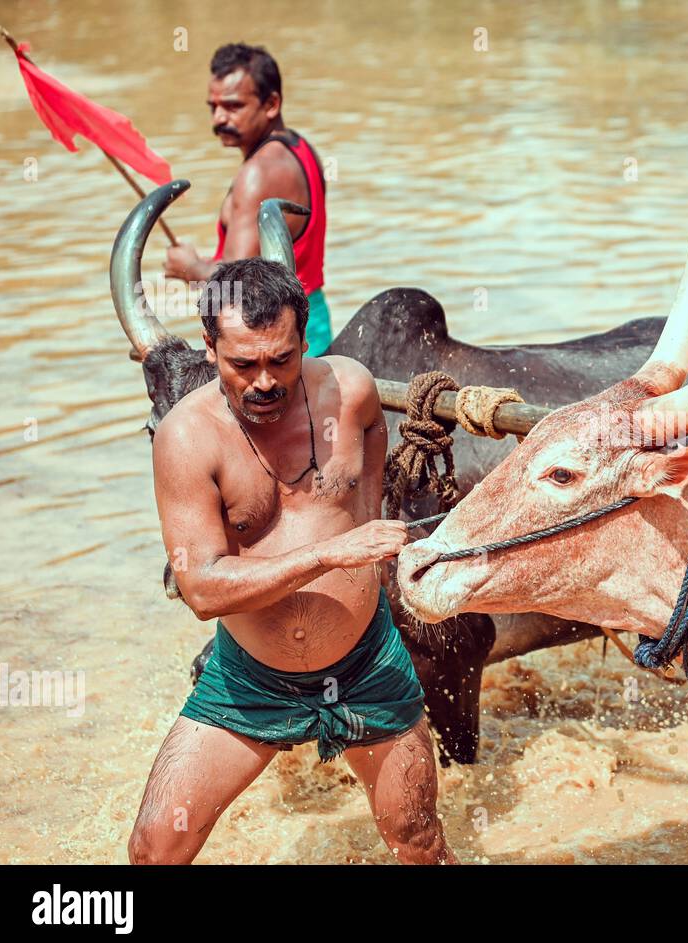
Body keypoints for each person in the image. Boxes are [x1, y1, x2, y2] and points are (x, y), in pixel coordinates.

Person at [129, 258, 454, 864]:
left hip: (368, 666)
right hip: (250, 679)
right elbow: (202, 591)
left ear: (305, 340)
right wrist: (332, 553)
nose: (264, 381)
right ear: (209, 349)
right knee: (155, 849)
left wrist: (368, 563)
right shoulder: (185, 437)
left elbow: (372, 480)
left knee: (419, 844)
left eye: (281, 360)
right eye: (242, 363)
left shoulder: (352, 390)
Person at [164, 43, 333, 355]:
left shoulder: (258, 173)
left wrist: (190, 267)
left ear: (271, 104)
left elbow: (236, 284)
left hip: (275, 339)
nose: (218, 119)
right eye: (213, 107)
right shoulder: (300, 148)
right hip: (310, 319)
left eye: (232, 106)